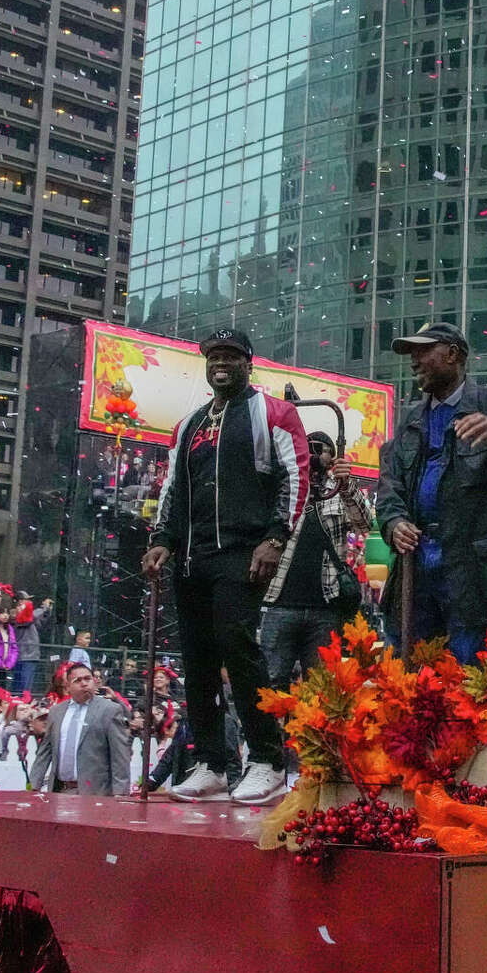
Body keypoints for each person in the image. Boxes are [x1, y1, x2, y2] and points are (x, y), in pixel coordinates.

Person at [140, 326, 310, 806]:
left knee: (240, 650)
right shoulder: (189, 424)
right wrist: (161, 541)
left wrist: (275, 538)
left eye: (231, 355)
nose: (221, 362)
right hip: (192, 558)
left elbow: (296, 475)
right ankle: (212, 762)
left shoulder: (274, 412)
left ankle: (268, 760)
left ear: (248, 363)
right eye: (214, 355)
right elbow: (172, 490)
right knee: (196, 660)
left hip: (243, 551)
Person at [376, 321, 487, 662]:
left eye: (423, 350)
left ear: (452, 354)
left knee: (469, 664)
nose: (414, 360)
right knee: (412, 668)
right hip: (419, 564)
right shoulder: (410, 421)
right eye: (412, 353)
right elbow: (389, 485)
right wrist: (394, 522)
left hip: (471, 569)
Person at [260, 431, 375, 687]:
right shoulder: (285, 490)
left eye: (321, 449)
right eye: (308, 448)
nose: (313, 453)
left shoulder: (338, 493)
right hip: (280, 603)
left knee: (321, 689)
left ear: (332, 458)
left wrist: (346, 483)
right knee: (269, 685)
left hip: (325, 607)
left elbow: (364, 523)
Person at [29, 662, 132, 795]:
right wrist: (33, 786)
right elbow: (45, 751)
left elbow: (120, 755)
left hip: (95, 793)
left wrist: (120, 793)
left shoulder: (110, 710)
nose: (84, 683)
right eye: (78, 680)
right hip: (60, 791)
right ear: (67, 686)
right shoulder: (56, 712)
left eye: (88, 679)